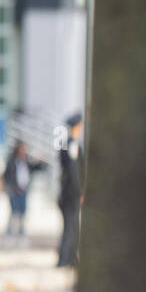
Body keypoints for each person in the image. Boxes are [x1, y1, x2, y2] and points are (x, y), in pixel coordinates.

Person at [3, 141, 47, 243]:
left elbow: (39, 168)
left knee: (23, 214)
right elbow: (6, 176)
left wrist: (40, 159)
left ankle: (21, 235)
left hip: (24, 191)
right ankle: (9, 235)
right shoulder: (12, 162)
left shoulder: (27, 162)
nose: (23, 151)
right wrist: (10, 188)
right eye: (22, 149)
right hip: (14, 191)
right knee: (13, 213)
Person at [57, 113, 85, 267]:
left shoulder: (65, 144)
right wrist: (79, 192)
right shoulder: (71, 145)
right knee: (71, 227)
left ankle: (70, 257)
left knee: (72, 226)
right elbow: (74, 172)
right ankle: (66, 259)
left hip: (67, 193)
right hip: (70, 194)